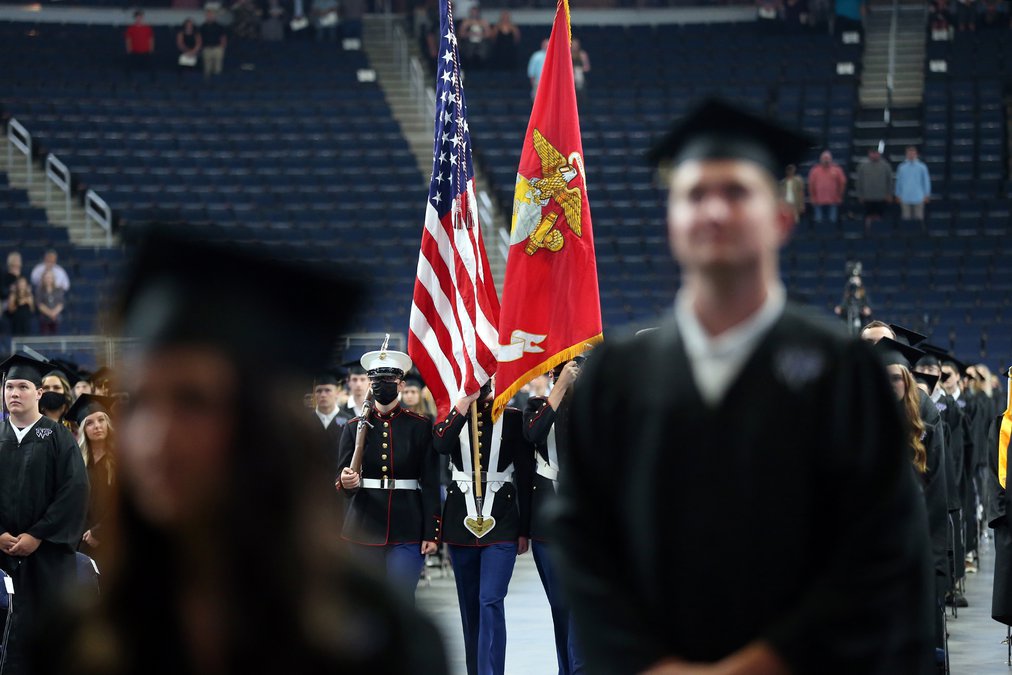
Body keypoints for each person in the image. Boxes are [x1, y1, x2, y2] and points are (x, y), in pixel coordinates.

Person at [548, 99, 934, 675]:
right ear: (670, 219)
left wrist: (771, 660)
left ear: (782, 216)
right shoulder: (617, 377)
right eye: (694, 194)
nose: (714, 210)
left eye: (736, 192)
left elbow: (882, 551)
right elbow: (587, 546)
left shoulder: (841, 372)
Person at [34, 226, 448, 675]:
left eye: (193, 401)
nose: (155, 438)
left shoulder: (374, 635)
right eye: (141, 403)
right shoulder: (78, 636)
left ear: (263, 429)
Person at [432, 380, 533, 675]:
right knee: (470, 608)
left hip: (502, 520)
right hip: (460, 521)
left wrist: (524, 528)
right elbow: (441, 445)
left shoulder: (513, 417)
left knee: (490, 600)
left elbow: (526, 477)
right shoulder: (450, 414)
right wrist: (462, 404)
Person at [0, 353, 89, 675]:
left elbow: (74, 491)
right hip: (1, 554)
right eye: (9, 386)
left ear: (39, 392)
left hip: (47, 558)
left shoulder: (57, 437)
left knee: (49, 638)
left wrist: (37, 535)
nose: (14, 393)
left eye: (23, 386)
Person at [336, 346, 441, 600]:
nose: (383, 385)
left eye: (389, 380)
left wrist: (432, 533)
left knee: (402, 599)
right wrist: (346, 481)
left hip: (407, 526)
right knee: (365, 603)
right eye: (377, 380)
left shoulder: (419, 427)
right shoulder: (353, 427)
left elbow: (429, 482)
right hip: (364, 525)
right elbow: (342, 478)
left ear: (401, 385)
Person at [522, 359, 584, 675]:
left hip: (588, 522)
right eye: (562, 372)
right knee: (560, 607)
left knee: (581, 606)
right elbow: (533, 436)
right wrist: (557, 389)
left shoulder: (594, 405)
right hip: (548, 520)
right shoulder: (535, 406)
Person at [67, 394, 117, 570]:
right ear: (82, 429)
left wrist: (99, 531)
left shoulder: (121, 459)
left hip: (113, 537)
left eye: (101, 420)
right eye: (90, 422)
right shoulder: (76, 461)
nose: (97, 426)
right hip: (81, 539)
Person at [313, 370, 347, 472]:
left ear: (337, 393)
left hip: (339, 479)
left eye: (328, 390)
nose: (323, 395)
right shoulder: (304, 421)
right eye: (319, 391)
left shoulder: (349, 421)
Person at [855, 148, 894, 230]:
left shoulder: (886, 166)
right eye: (872, 153)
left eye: (876, 153)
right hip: (867, 197)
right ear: (869, 154)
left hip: (881, 197)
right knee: (868, 216)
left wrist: (889, 194)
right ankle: (868, 232)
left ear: (879, 154)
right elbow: (859, 182)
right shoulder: (862, 166)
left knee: (879, 216)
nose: (874, 155)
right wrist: (860, 195)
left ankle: (879, 230)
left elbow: (889, 181)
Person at [806, 149, 846, 226]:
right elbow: (811, 185)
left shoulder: (837, 170)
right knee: (818, 221)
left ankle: (832, 235)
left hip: (833, 200)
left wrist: (839, 195)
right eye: (824, 158)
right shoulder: (815, 170)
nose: (826, 160)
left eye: (827, 158)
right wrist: (812, 197)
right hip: (818, 200)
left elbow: (842, 183)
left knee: (832, 221)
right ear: (821, 159)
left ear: (831, 159)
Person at [895, 146, 931, 222]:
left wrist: (926, 195)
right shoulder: (901, 167)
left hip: (918, 197)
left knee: (919, 219)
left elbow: (926, 181)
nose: (911, 155)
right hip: (905, 197)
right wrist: (898, 194)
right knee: (906, 219)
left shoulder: (922, 167)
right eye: (909, 153)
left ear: (916, 154)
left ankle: (919, 234)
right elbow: (898, 182)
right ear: (906, 154)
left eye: (913, 153)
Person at [36, 269, 66, 335]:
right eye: (46, 277)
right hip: (44, 318)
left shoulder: (58, 290)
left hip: (56, 318)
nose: (48, 279)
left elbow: (61, 303)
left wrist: (54, 313)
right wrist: (50, 313)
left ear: (53, 279)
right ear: (43, 279)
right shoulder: (40, 290)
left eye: (50, 277)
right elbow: (39, 304)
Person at [200, 9, 228, 78]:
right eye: (208, 15)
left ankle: (217, 83)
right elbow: (200, 38)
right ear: (206, 16)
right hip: (207, 48)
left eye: (211, 15)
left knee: (217, 68)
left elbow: (223, 37)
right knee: (207, 69)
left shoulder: (220, 26)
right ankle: (207, 84)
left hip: (217, 48)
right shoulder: (202, 27)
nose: (210, 17)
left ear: (214, 16)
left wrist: (222, 47)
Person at [570, 37, 590, 101]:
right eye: (574, 45)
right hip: (570, 79)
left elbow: (587, 67)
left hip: (580, 80)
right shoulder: (568, 54)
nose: (575, 46)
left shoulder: (582, 54)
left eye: (576, 45)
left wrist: (579, 70)